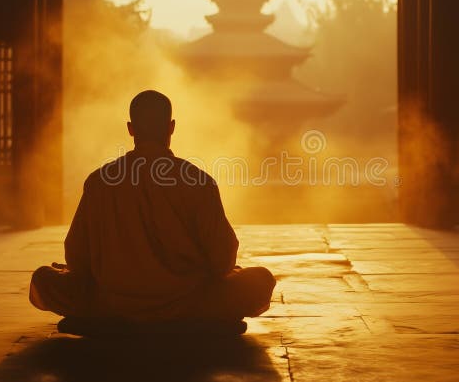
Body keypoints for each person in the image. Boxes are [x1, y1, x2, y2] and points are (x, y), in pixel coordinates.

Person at [29, 90, 275, 331]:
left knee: (44, 280)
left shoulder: (100, 181)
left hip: (111, 304)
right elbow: (223, 262)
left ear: (131, 129)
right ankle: (190, 321)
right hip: (189, 305)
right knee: (259, 281)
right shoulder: (198, 181)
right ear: (171, 127)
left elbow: (77, 260)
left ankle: (106, 320)